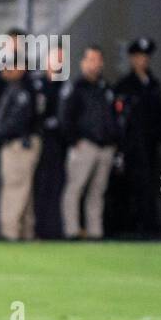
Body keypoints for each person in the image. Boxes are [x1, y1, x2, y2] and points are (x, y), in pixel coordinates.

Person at [59, 45, 118, 239]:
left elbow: (113, 117)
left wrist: (114, 140)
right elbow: (65, 117)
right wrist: (74, 140)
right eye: (90, 60)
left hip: (105, 146)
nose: (94, 64)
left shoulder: (106, 88)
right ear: (83, 62)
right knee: (76, 187)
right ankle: (72, 230)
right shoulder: (75, 87)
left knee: (98, 191)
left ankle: (95, 231)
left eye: (97, 60)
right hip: (85, 145)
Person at [113, 37, 161, 237]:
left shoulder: (154, 83)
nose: (143, 61)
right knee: (130, 186)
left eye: (146, 57)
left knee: (160, 183)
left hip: (152, 144)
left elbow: (159, 113)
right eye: (139, 57)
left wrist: (160, 136)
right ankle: (130, 226)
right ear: (132, 59)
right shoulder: (125, 85)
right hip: (132, 146)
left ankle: (151, 224)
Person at [0, 60, 44, 240]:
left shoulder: (24, 89)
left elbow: (18, 121)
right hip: (20, 142)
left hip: (19, 143)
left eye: (9, 66)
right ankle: (26, 232)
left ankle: (10, 232)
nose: (5, 70)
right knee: (24, 189)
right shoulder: (18, 87)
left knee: (15, 187)